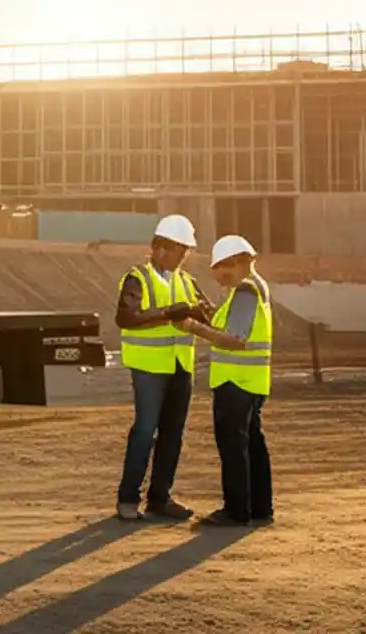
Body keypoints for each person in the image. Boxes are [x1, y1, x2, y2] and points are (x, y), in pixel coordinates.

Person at [114, 214, 215, 521]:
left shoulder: (186, 281)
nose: (182, 257)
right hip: (148, 368)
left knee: (173, 433)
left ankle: (160, 498)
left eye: (185, 251)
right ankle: (127, 499)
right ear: (157, 247)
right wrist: (172, 312)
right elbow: (127, 318)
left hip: (180, 366)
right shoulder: (137, 279)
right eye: (177, 250)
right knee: (145, 431)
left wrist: (201, 313)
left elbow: (206, 313)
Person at [177, 234, 274, 527]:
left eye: (219, 269)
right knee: (252, 443)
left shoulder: (245, 291)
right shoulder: (252, 288)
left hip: (237, 382)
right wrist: (208, 320)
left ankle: (236, 510)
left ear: (236, 263)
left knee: (234, 446)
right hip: (252, 381)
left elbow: (236, 339)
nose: (216, 275)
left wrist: (193, 327)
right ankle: (259, 507)